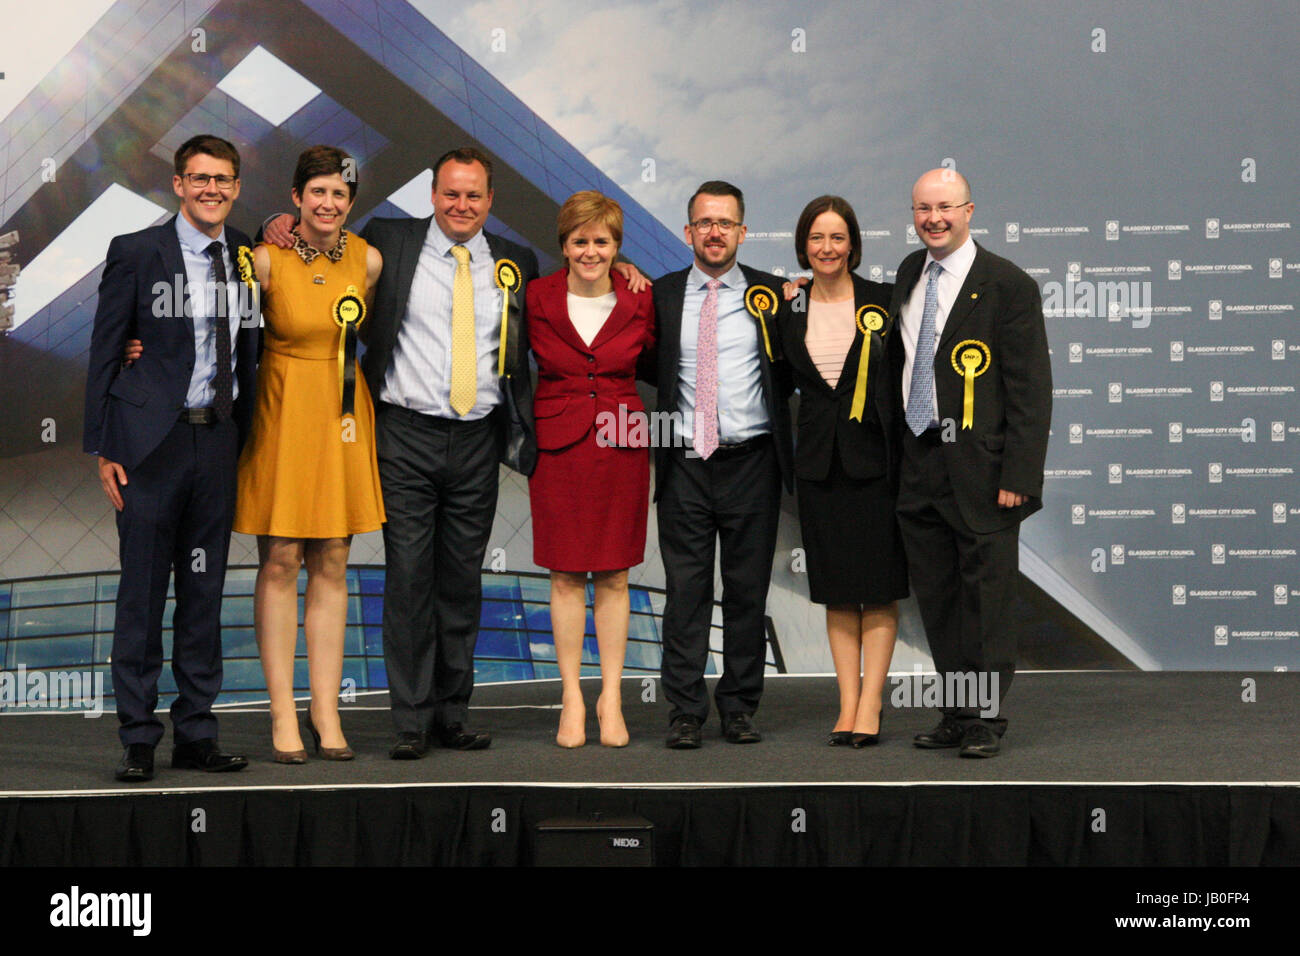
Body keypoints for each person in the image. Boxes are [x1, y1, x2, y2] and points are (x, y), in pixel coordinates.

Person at [83, 134, 253, 781]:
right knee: (143, 594)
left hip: (216, 443)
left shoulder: (245, 255)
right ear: (179, 185)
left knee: (204, 595)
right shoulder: (135, 252)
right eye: (200, 178)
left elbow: (250, 345)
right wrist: (103, 448)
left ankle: (196, 735)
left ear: (236, 188)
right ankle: (137, 737)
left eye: (224, 180)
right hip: (148, 449)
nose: (212, 189)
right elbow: (105, 353)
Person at [887, 169, 1051, 758]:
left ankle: (986, 721)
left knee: (986, 601)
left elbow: (1031, 390)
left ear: (970, 210)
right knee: (939, 599)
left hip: (983, 474)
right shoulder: (909, 273)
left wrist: (1019, 477)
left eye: (945, 208)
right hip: (918, 462)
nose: (934, 218)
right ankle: (956, 712)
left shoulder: (1007, 284)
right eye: (923, 208)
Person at [234, 145, 384, 762]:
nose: (328, 203)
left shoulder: (368, 260)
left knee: (334, 557)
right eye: (317, 192)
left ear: (351, 204)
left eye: (340, 195)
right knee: (281, 559)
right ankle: (282, 715)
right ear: (295, 198)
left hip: (345, 409)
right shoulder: (263, 261)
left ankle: (327, 711)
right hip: (282, 407)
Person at [652, 182, 794, 748]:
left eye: (726, 223)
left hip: (753, 463)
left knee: (746, 591)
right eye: (704, 223)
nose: (715, 232)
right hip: (685, 461)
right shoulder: (661, 295)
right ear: (688, 232)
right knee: (685, 590)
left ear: (742, 231)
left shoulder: (776, 296)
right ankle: (686, 709)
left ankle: (738, 706)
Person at [775, 196, 907, 747]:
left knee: (877, 588)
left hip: (875, 462)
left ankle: (872, 702)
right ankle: (846, 703)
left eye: (836, 238)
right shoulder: (787, 305)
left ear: (853, 243)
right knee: (835, 589)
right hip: (818, 465)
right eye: (816, 239)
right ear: (803, 246)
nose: (826, 248)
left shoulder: (885, 300)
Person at [526, 191, 655, 748]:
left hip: (621, 443)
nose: (590, 251)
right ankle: (572, 698)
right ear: (564, 244)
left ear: (617, 246)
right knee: (563, 575)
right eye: (580, 240)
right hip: (557, 445)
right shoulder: (535, 295)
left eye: (602, 241)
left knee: (615, 574)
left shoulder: (640, 296)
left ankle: (612, 698)